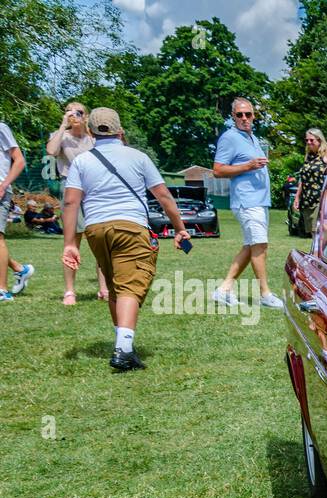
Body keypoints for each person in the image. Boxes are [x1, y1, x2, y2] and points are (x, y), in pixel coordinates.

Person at [61, 108, 189, 372]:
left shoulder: (82, 161)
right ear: (121, 131)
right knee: (130, 286)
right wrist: (180, 228)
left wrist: (70, 244)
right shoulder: (138, 157)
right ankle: (123, 350)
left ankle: (123, 344)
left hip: (96, 229)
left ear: (90, 131)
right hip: (131, 227)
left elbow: (71, 201)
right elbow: (163, 195)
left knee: (115, 287)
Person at [211, 98, 283, 309]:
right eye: (239, 115)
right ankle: (265, 294)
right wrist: (248, 165)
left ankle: (224, 289)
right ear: (233, 116)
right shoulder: (229, 138)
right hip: (247, 201)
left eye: (248, 114)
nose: (244, 118)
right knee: (259, 245)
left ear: (253, 116)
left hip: (260, 201)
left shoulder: (252, 138)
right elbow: (218, 170)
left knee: (251, 245)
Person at [47, 101, 109, 304]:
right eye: (68, 112)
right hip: (71, 189)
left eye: (78, 112)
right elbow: (51, 151)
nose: (73, 115)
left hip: (94, 190)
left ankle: (104, 289)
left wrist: (89, 127)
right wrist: (63, 124)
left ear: (87, 116)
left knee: (100, 240)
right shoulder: (61, 136)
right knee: (72, 241)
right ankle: (70, 291)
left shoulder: (92, 139)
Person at [0, 119, 36, 303]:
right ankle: (19, 269)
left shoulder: (1, 128)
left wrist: (4, 184)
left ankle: (2, 291)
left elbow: (19, 160)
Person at [293, 128, 327, 235]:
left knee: (321, 231)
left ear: (319, 140)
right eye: (307, 140)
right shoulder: (308, 156)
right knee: (313, 232)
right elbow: (303, 178)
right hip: (307, 200)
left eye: (312, 140)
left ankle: (320, 252)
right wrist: (297, 197)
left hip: (320, 198)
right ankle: (316, 252)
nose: (308, 143)